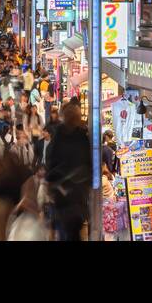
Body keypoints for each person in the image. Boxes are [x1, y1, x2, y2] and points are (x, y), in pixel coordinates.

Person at [44, 100, 92, 241]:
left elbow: (51, 161)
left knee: (65, 230)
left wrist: (52, 182)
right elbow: (88, 163)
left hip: (62, 194)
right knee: (74, 230)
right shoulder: (82, 137)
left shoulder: (58, 135)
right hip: (78, 195)